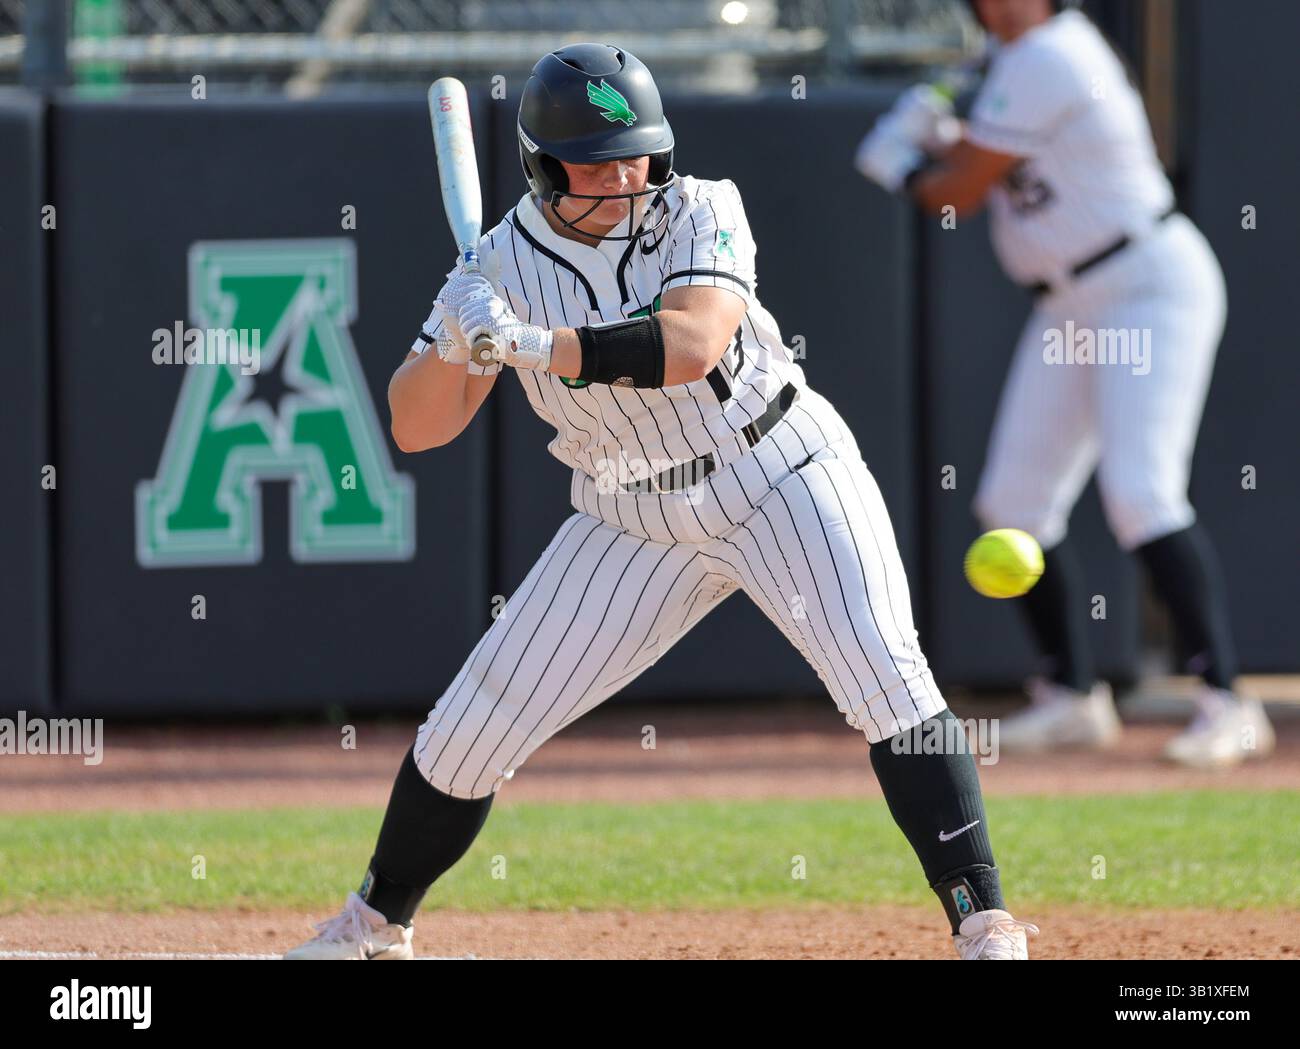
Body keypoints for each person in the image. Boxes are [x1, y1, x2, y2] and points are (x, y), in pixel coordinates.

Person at [285, 42, 1037, 960]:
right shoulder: (495, 267)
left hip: (776, 470)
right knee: (473, 722)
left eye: (637, 152)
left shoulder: (703, 208)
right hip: (629, 514)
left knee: (885, 675)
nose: (625, 174)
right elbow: (415, 425)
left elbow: (691, 343)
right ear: (545, 167)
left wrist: (531, 342)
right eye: (597, 163)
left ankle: (985, 919)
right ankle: (373, 924)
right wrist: (461, 335)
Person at [853, 0, 1275, 768]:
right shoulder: (1006, 63)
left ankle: (1229, 701)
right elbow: (977, 143)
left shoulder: (1053, 53)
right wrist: (939, 123)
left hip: (1143, 284)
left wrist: (909, 159)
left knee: (1142, 494)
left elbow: (963, 188)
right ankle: (1072, 695)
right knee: (1012, 503)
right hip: (1069, 301)